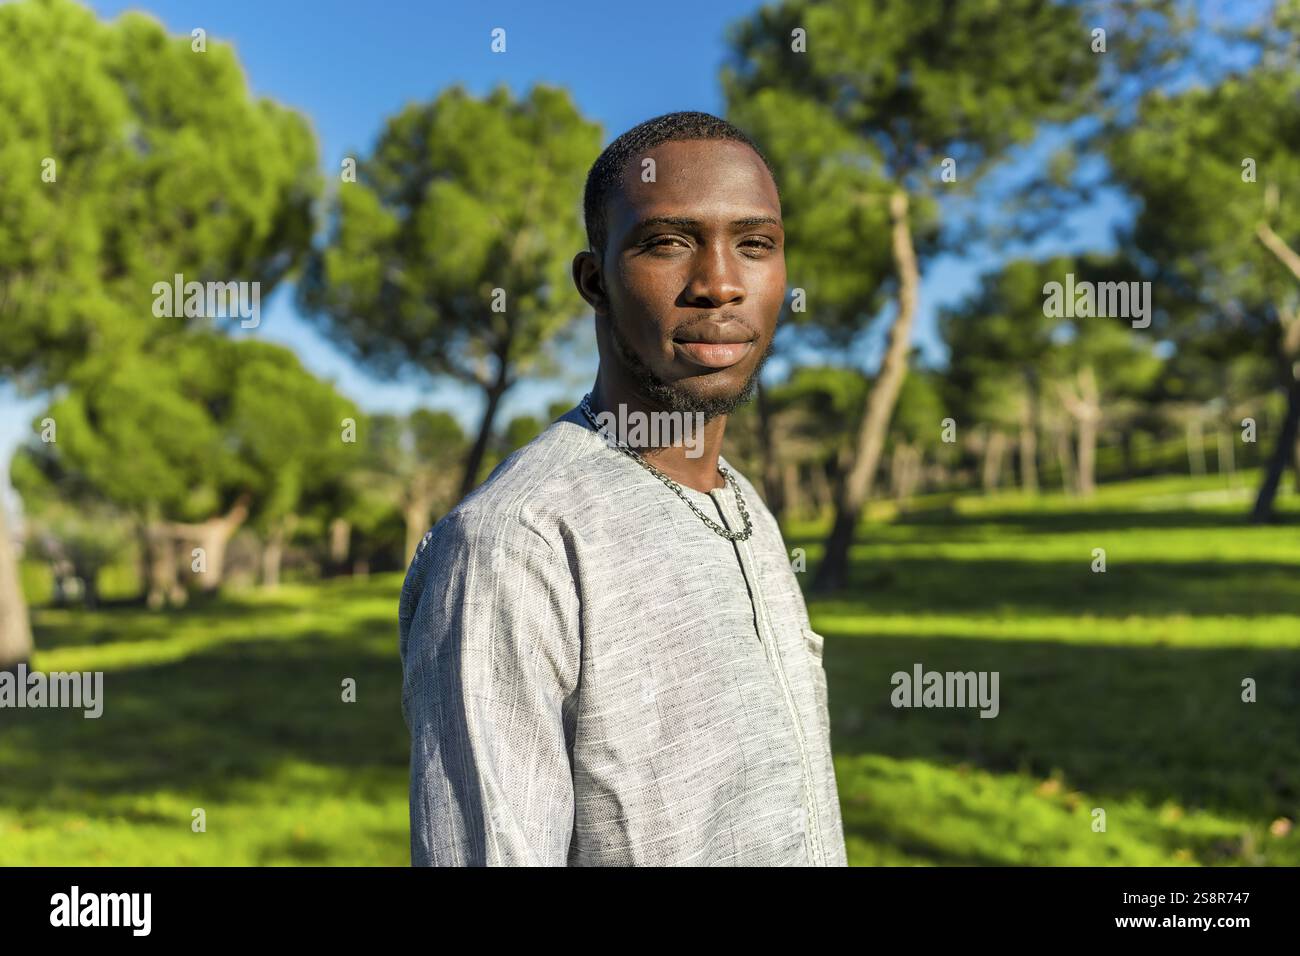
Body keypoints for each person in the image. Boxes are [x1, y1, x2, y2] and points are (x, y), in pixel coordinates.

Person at [399, 110, 847, 866]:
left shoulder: (745, 509)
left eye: (755, 245)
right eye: (667, 243)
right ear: (594, 280)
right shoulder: (516, 543)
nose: (719, 284)